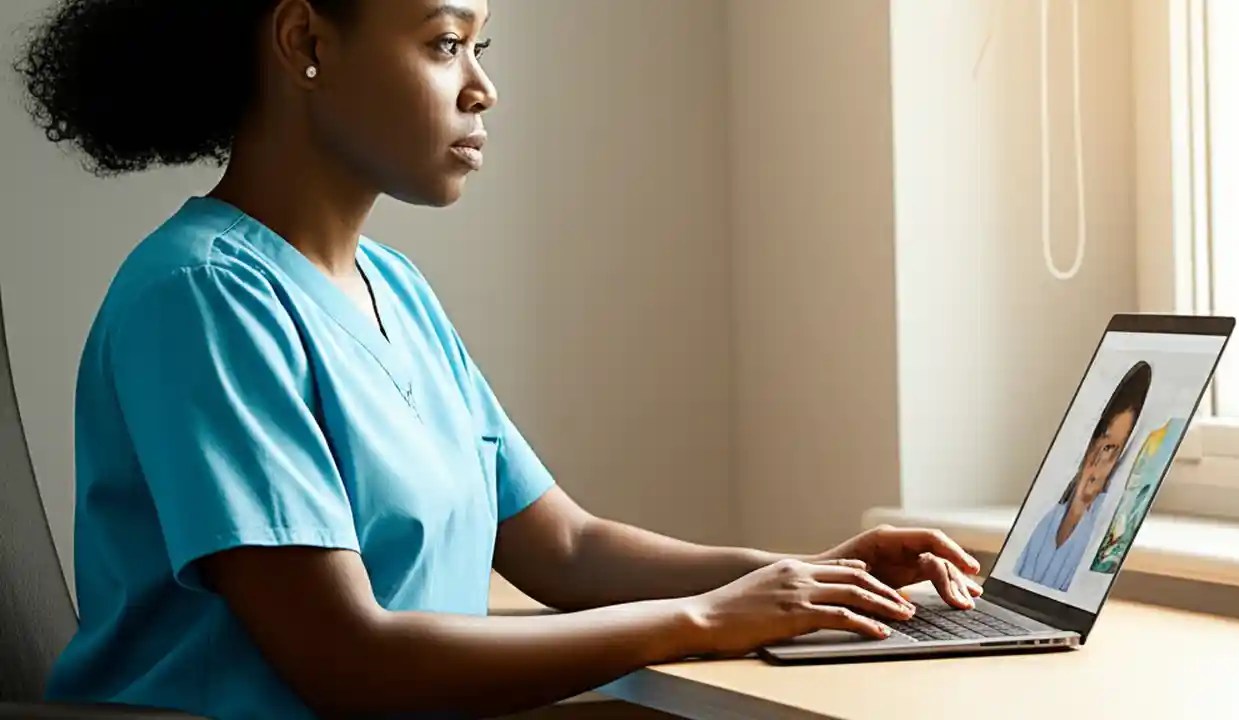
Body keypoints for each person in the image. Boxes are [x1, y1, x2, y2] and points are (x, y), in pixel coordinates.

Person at [17, 1, 983, 718]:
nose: (482, 87)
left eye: (481, 46)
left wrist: (809, 577)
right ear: (307, 42)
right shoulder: (202, 298)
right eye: (445, 44)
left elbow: (565, 549)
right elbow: (350, 661)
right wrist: (706, 620)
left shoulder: (395, 290)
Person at [1015, 361, 1153, 592]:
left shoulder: (1100, 540)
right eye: (1099, 443)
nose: (1097, 461)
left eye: (1111, 449)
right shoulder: (1047, 520)